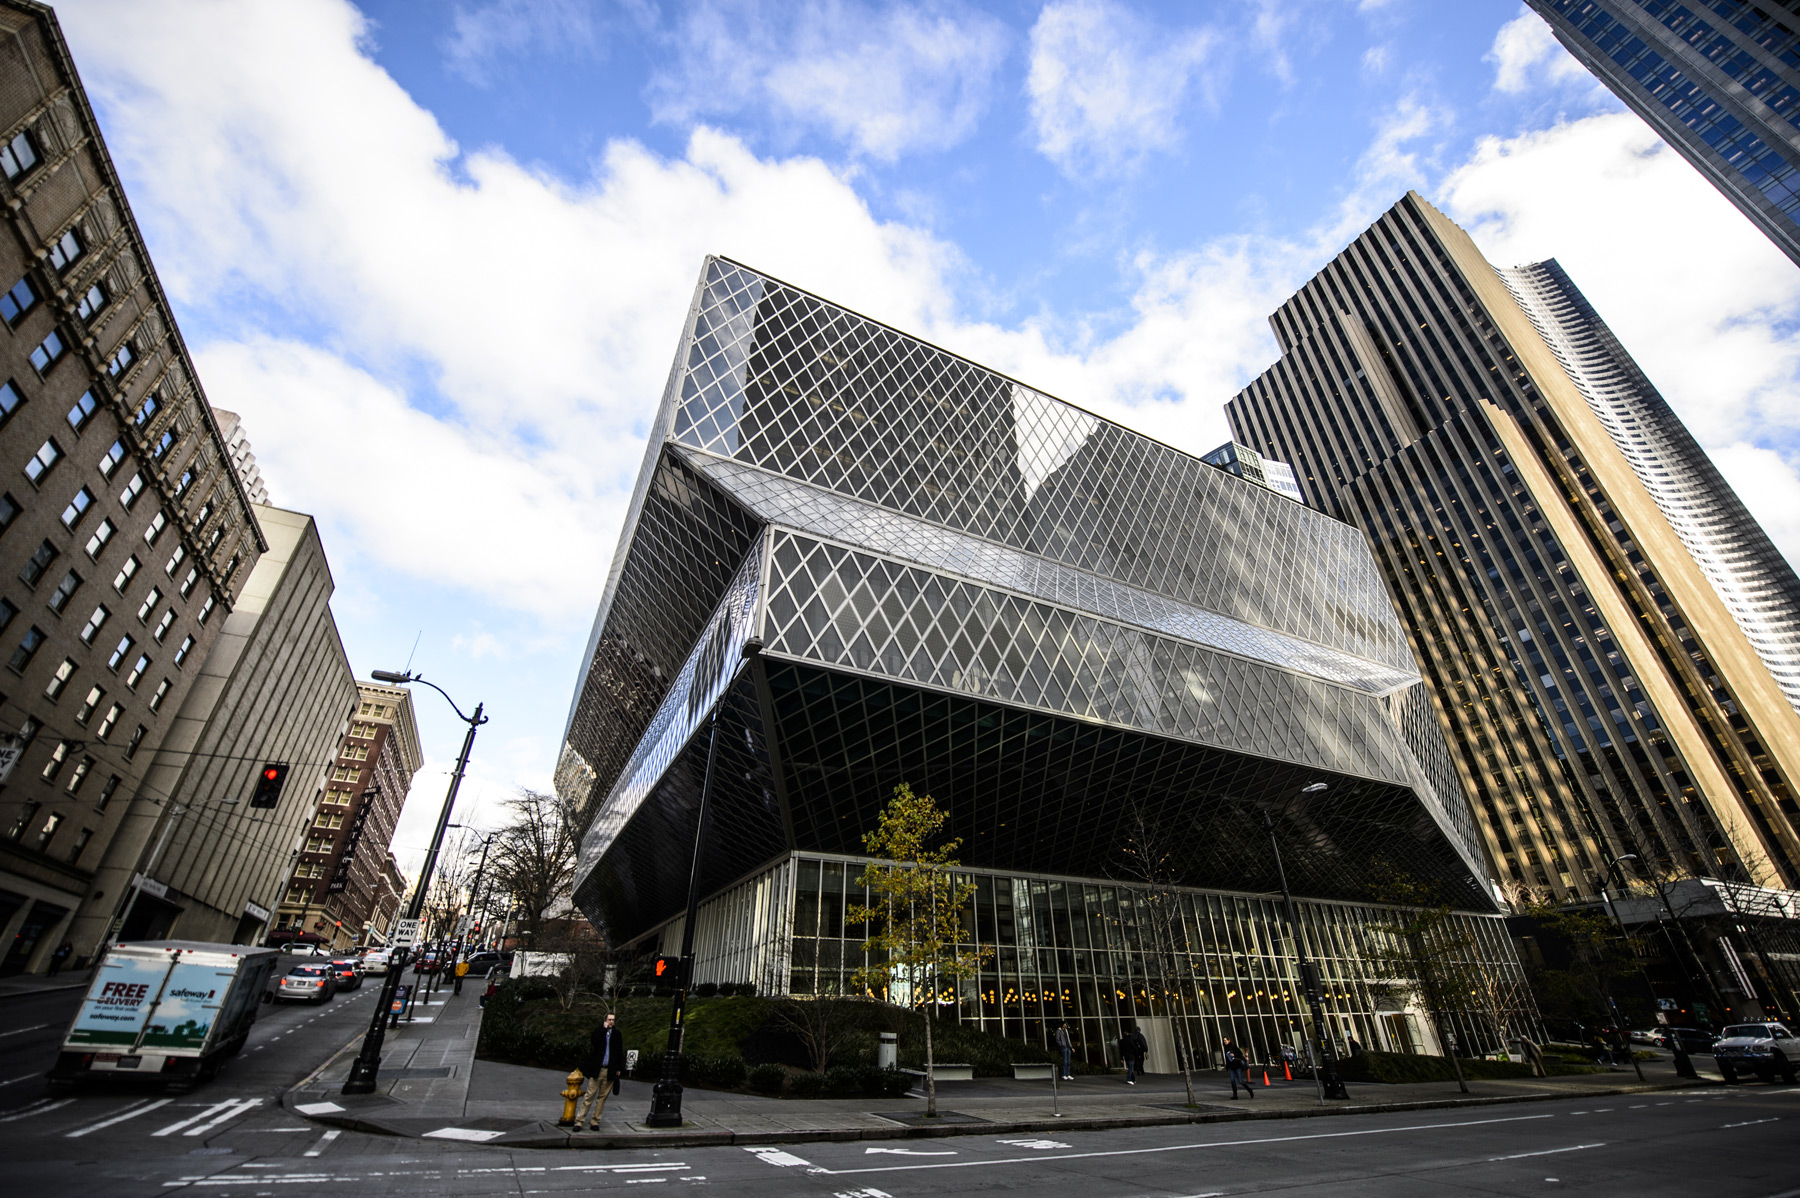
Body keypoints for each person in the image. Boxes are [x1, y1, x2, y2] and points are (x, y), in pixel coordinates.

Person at [576, 1011, 626, 1131]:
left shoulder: (617, 1034)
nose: (611, 1022)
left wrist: (619, 1068)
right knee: (589, 1096)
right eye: (609, 1019)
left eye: (613, 1020)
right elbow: (594, 1041)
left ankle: (595, 1121)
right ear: (605, 1020)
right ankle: (579, 1121)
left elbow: (619, 1051)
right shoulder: (599, 1032)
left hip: (609, 1070)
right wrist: (604, 1030)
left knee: (602, 1098)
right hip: (597, 1069)